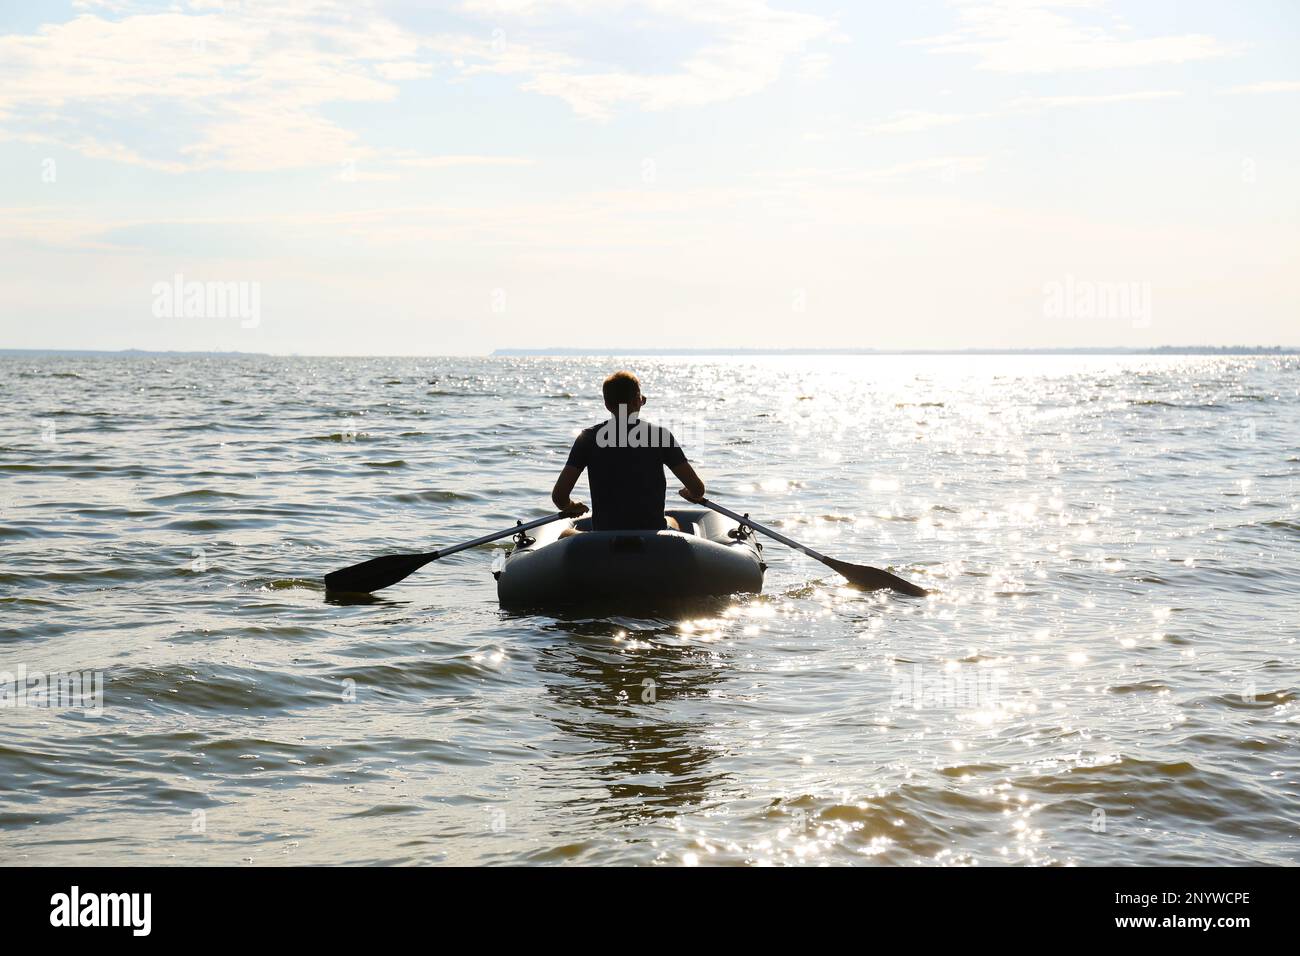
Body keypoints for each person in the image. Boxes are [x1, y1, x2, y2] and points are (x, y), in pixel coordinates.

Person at [551, 370, 705, 533]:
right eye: (642, 399)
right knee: (671, 521)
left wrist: (571, 506)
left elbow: (559, 497)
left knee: (565, 533)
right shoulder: (660, 436)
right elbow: (697, 489)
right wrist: (690, 494)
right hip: (652, 535)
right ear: (637, 401)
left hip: (604, 537)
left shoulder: (588, 438)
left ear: (607, 405)